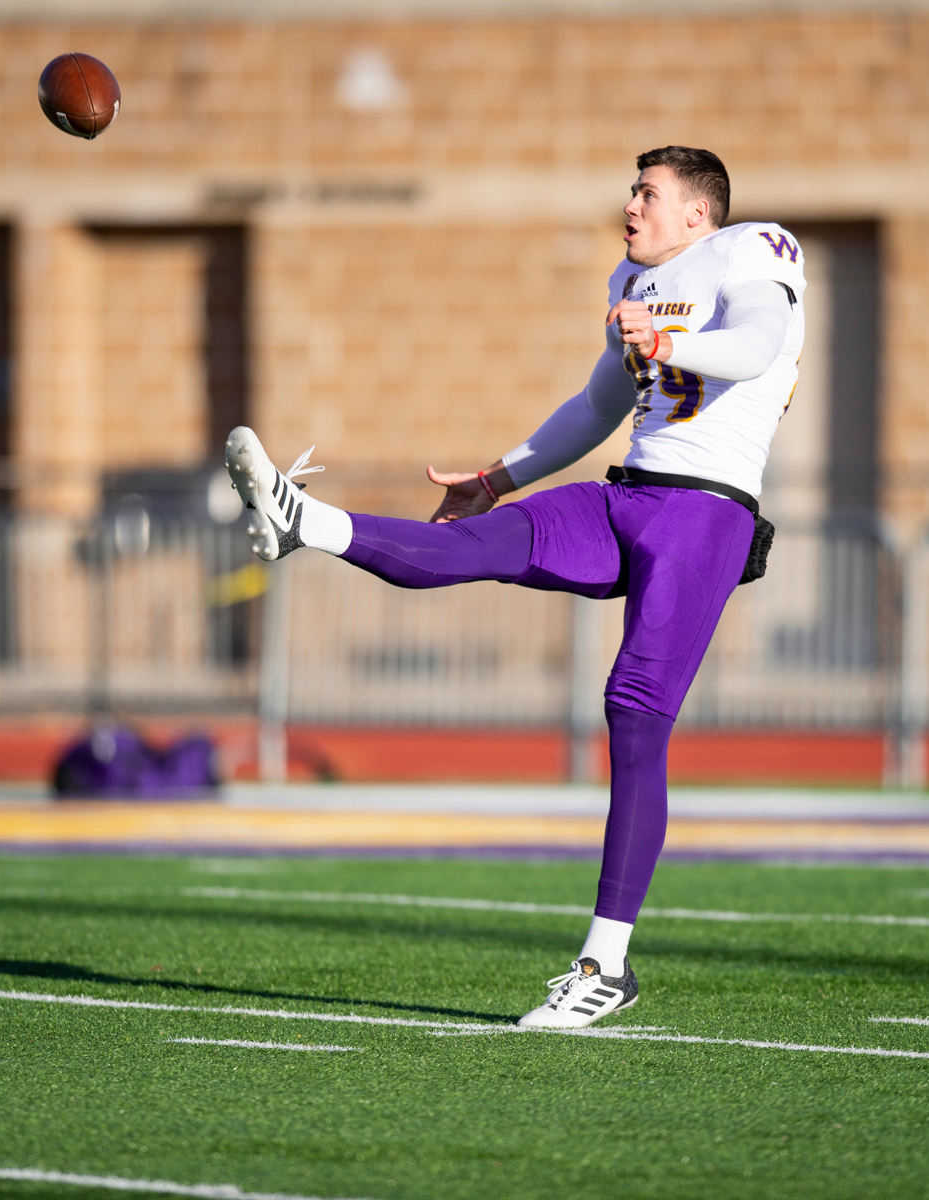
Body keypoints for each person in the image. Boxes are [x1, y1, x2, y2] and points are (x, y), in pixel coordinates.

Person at [225, 145, 806, 1028]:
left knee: (634, 711)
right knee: (473, 546)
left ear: (698, 213)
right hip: (632, 494)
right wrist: (497, 478)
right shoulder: (634, 280)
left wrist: (670, 339)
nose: (631, 205)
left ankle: (606, 966)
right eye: (632, 190)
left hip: (706, 517)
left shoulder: (750, 250)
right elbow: (595, 408)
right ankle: (301, 521)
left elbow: (759, 347)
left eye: (648, 193)